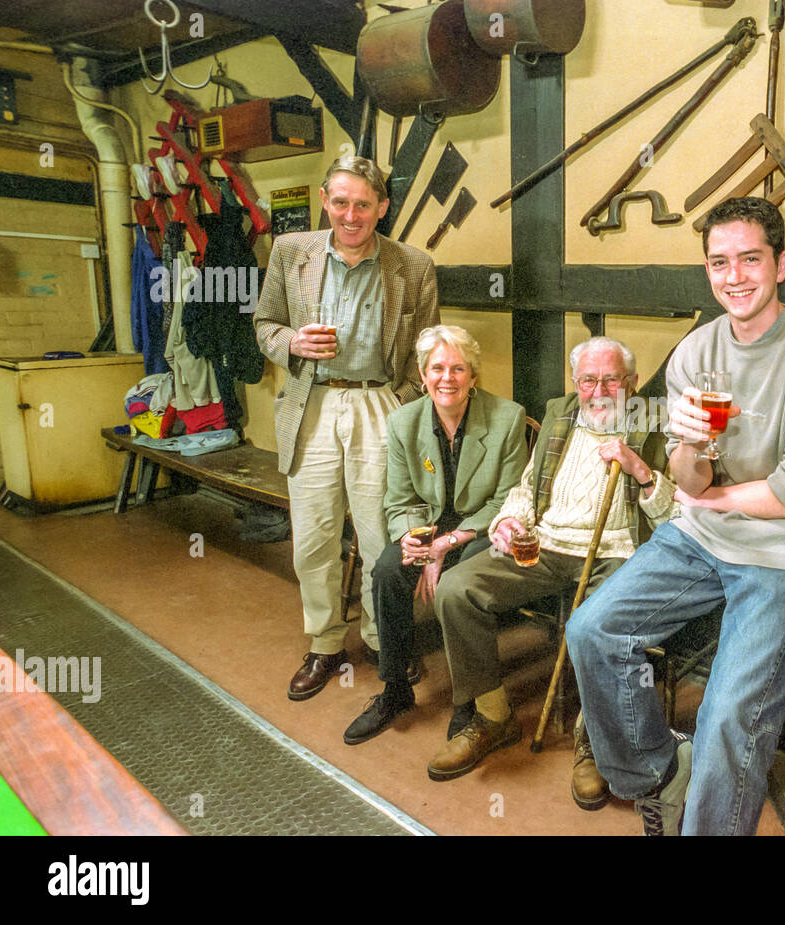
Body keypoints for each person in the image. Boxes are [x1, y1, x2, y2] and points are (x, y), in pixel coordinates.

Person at [566, 197, 785, 836]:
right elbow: (688, 481)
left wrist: (710, 496)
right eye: (720, 262)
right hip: (700, 539)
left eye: (751, 258)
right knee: (592, 633)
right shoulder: (695, 352)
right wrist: (690, 447)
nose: (735, 276)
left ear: (781, 263)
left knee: (727, 717)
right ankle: (660, 776)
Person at [423, 336, 673, 812]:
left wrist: (641, 471)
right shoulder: (561, 413)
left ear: (633, 384)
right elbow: (525, 486)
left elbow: (676, 516)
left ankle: (594, 740)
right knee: (457, 589)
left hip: (616, 552)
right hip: (545, 543)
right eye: (587, 380)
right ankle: (493, 716)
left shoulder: (655, 425)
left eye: (610, 380)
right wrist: (510, 520)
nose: (598, 390)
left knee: (596, 630)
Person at [253, 155, 438, 701]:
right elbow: (264, 324)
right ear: (324, 200)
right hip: (311, 403)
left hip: (378, 404)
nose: (350, 215)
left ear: (382, 207)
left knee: (383, 537)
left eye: (363, 205)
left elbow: (425, 350)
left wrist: (400, 403)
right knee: (313, 538)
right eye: (340, 202)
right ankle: (325, 644)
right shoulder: (291, 253)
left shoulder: (415, 265)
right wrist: (291, 343)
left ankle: (388, 642)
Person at [342, 324, 527, 745]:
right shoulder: (403, 421)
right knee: (388, 571)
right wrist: (412, 538)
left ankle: (469, 699)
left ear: (473, 377)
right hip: (427, 528)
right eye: (437, 368)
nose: (448, 378)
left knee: (458, 584)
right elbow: (399, 497)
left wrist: (447, 544)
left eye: (458, 368)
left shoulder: (507, 418)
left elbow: (508, 499)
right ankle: (395, 690)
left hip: (481, 528)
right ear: (423, 376)